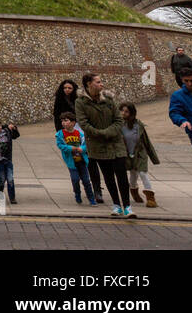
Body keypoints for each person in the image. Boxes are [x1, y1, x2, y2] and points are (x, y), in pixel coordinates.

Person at [76, 73, 134, 218]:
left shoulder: (108, 99)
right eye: (98, 82)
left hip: (115, 143)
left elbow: (118, 120)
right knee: (108, 176)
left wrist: (107, 132)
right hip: (97, 146)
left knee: (121, 175)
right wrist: (99, 133)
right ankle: (116, 205)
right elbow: (83, 123)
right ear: (89, 84)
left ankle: (127, 206)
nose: (101, 84)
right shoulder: (81, 102)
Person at [54, 78, 102, 202]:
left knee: (91, 161)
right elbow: (56, 117)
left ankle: (96, 190)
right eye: (65, 88)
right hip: (69, 135)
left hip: (82, 130)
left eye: (69, 88)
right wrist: (61, 133)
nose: (67, 90)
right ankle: (81, 192)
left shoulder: (80, 100)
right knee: (77, 164)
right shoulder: (59, 100)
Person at [119, 102, 160, 208]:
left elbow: (147, 142)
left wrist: (153, 157)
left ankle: (151, 198)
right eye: (122, 111)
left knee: (143, 173)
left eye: (126, 111)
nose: (123, 113)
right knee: (133, 175)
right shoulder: (119, 125)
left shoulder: (138, 125)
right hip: (127, 155)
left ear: (132, 113)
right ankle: (134, 193)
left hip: (140, 154)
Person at [55, 111, 96, 205]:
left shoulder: (79, 134)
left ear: (73, 123)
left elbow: (86, 145)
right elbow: (61, 146)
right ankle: (77, 194)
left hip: (81, 161)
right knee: (75, 179)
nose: (63, 123)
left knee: (86, 180)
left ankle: (91, 198)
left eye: (66, 120)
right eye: (62, 121)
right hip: (71, 162)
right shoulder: (60, 134)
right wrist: (70, 148)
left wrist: (82, 148)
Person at [170, 69, 192, 160]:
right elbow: (174, 112)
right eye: (186, 81)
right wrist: (183, 121)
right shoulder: (178, 96)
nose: (189, 84)